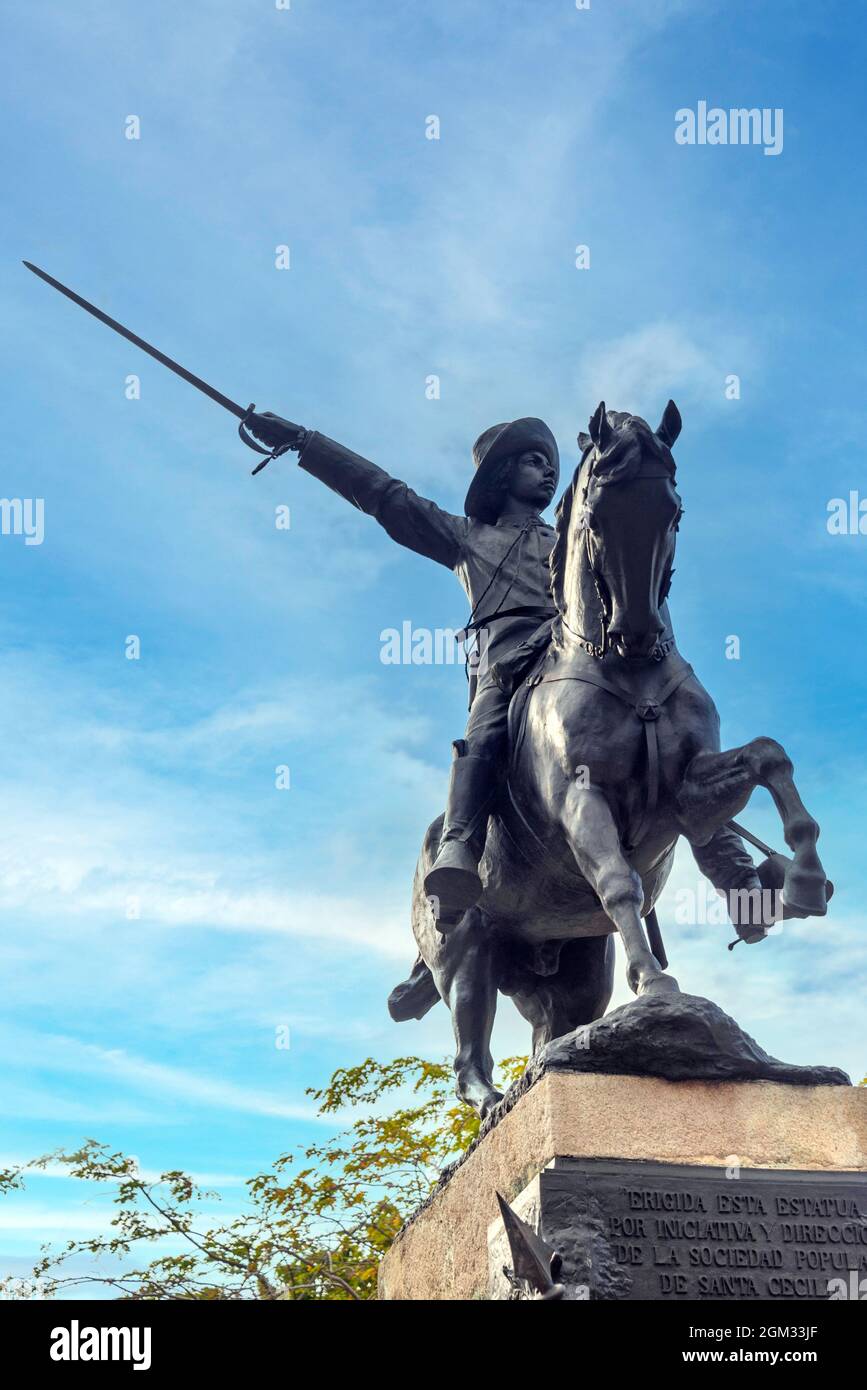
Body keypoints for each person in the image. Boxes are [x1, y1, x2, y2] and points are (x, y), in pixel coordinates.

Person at [245, 411, 560, 926]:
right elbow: (385, 494)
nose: (548, 472)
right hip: (505, 660)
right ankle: (459, 846)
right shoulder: (466, 538)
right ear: (503, 475)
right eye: (533, 462)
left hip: (574, 650)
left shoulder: (571, 538)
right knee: (484, 732)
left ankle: (724, 857)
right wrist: (307, 444)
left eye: (551, 465)